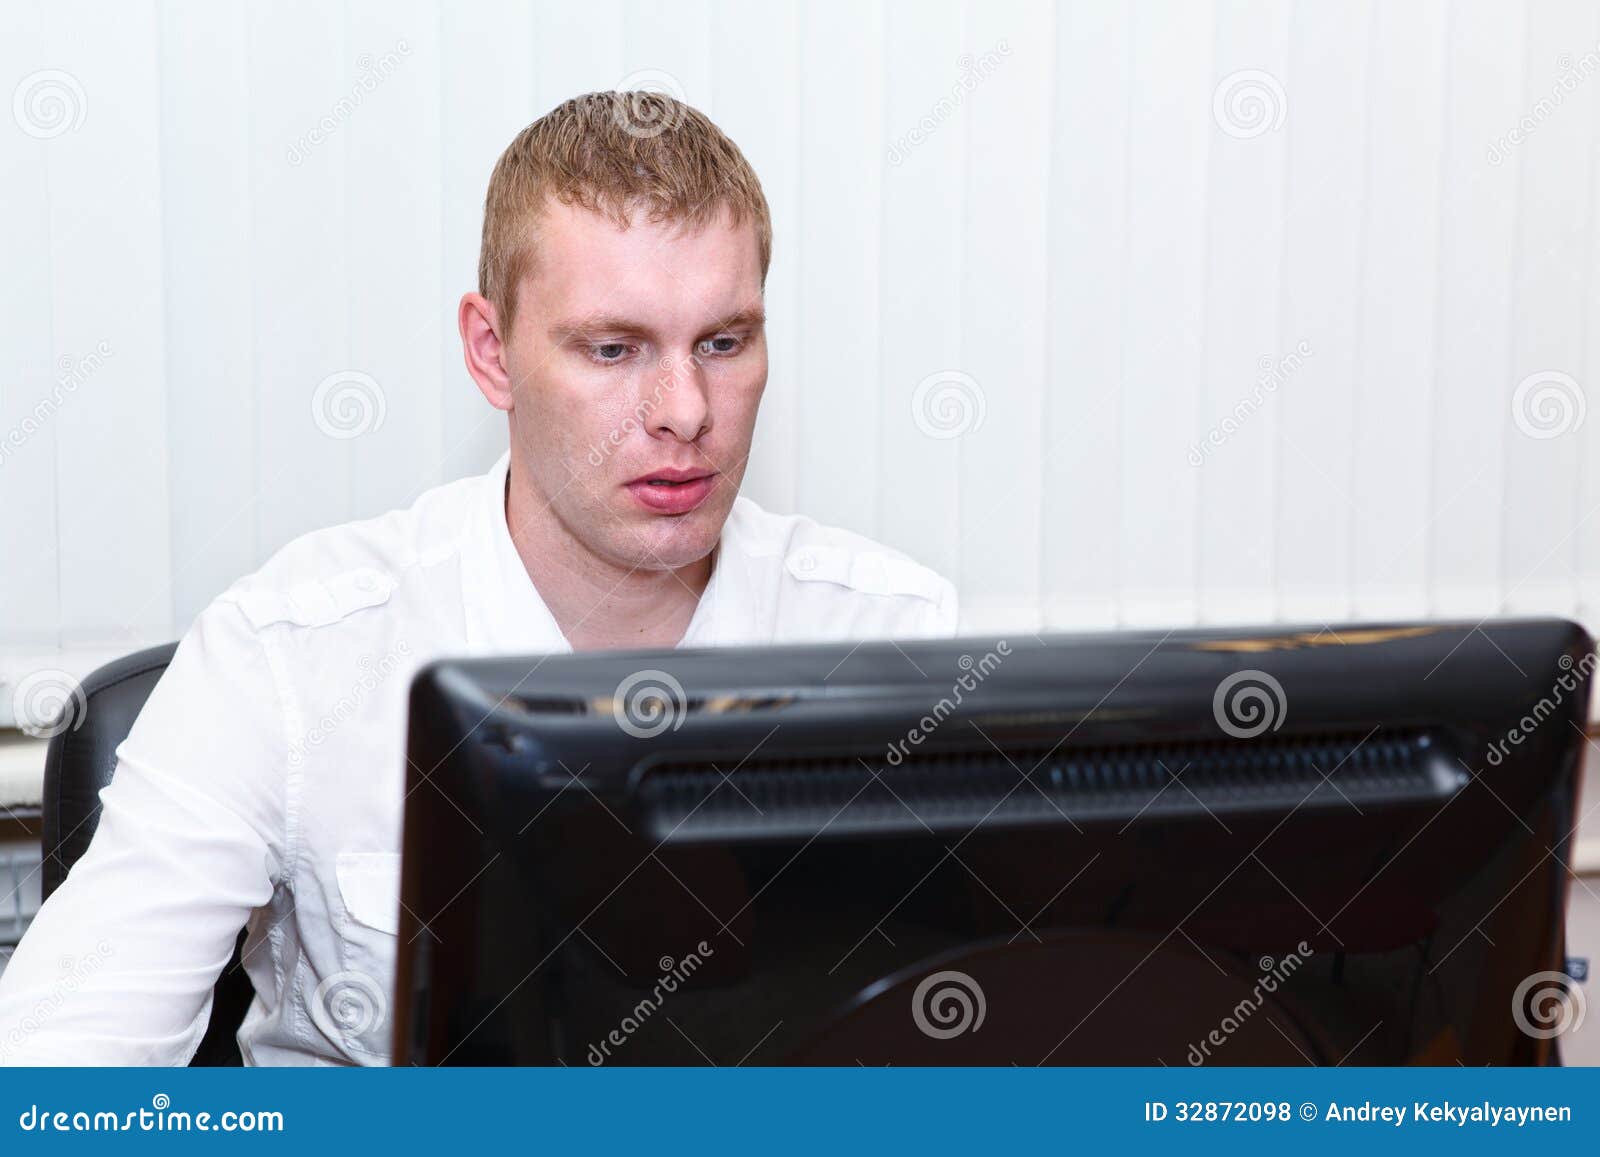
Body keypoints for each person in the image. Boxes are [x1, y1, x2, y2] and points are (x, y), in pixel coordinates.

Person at [0, 91, 958, 1065]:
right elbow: (56, 1080)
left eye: (723, 341)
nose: (684, 409)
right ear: (491, 351)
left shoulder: (894, 634)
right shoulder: (290, 654)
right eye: (613, 348)